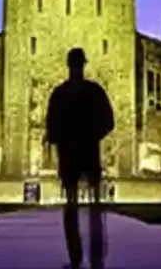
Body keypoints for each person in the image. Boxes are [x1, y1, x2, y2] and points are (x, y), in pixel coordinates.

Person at [45, 47, 114, 269]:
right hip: (86, 151)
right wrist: (92, 135)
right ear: (82, 64)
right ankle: (93, 257)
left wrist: (62, 139)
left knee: (74, 204)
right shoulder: (93, 92)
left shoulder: (61, 94)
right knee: (90, 204)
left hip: (72, 154)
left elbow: (51, 127)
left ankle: (78, 257)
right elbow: (108, 121)